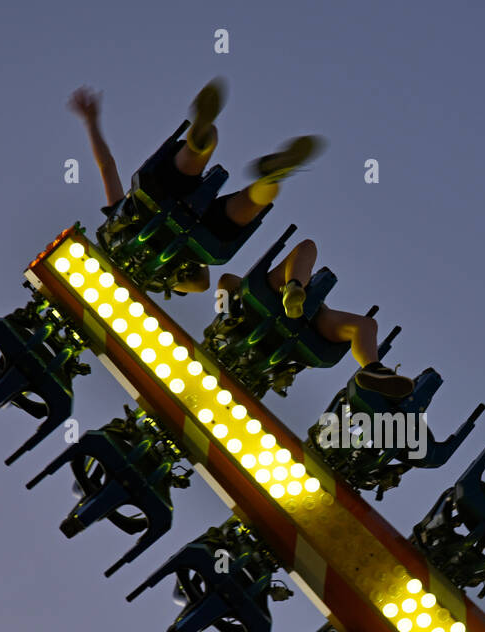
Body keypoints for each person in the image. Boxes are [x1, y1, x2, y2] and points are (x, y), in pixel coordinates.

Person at [68, 78, 322, 294]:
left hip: (194, 233)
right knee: (181, 174)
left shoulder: (155, 275)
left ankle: (266, 183)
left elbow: (201, 285)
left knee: (238, 211)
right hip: (163, 206)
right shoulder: (116, 220)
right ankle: (201, 143)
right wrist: (91, 121)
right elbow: (107, 166)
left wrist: (177, 277)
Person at [218, 240, 414, 399]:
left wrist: (224, 309)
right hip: (286, 317)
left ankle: (374, 371)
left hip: (299, 315)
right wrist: (227, 313)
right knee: (366, 325)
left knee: (308, 247)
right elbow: (227, 281)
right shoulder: (240, 292)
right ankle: (294, 289)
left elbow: (226, 281)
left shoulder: (250, 291)